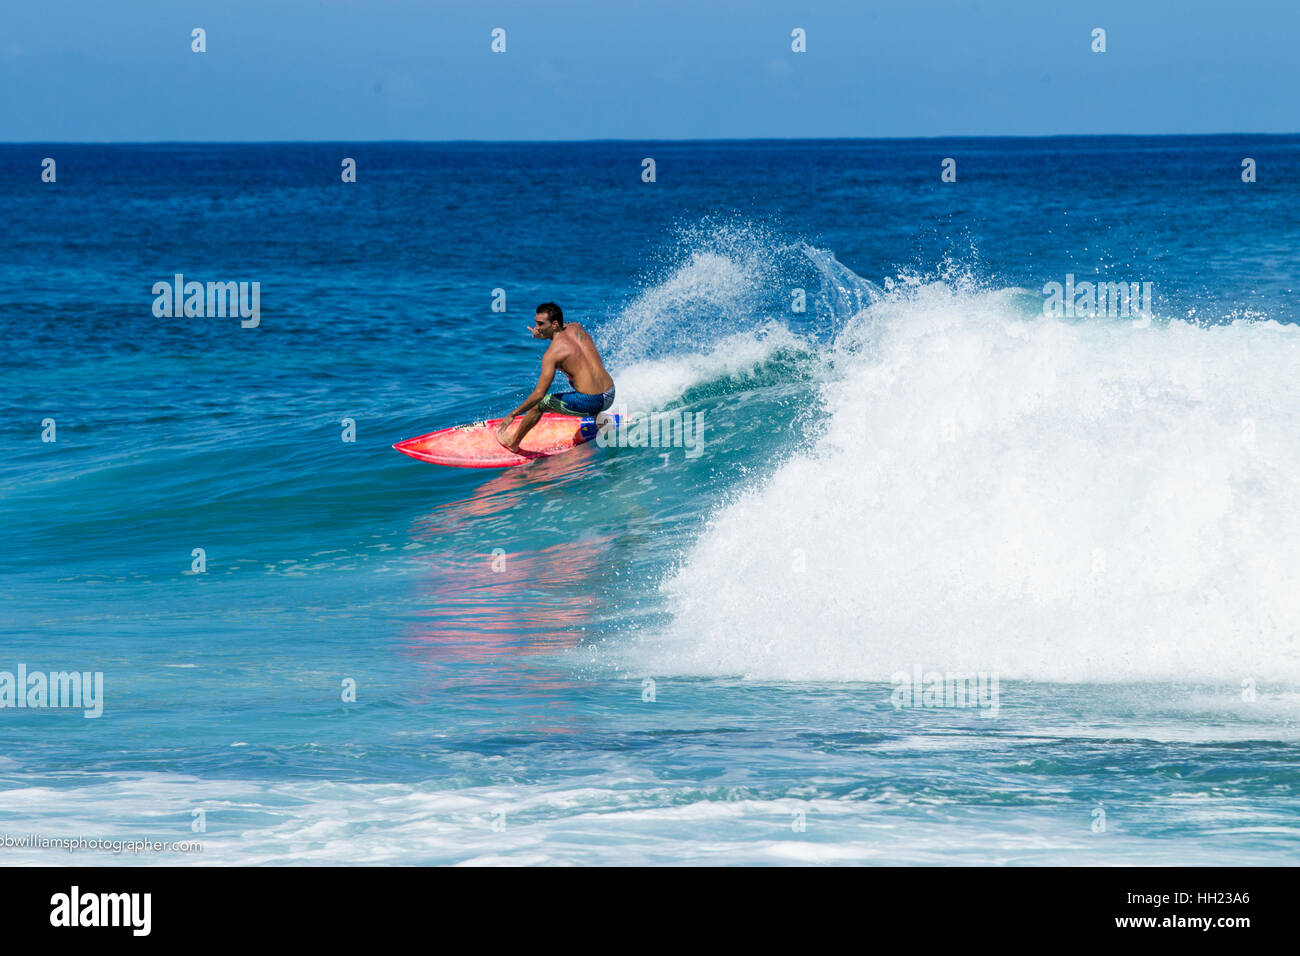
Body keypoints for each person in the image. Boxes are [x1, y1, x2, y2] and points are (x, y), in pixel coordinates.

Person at [496, 303, 616, 452]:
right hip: (610, 393)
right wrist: (545, 334)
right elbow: (563, 333)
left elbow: (539, 394)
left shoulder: (552, 355)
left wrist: (513, 414)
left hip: (592, 402)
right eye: (536, 323)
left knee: (539, 404)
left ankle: (513, 443)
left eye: (540, 324)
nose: (536, 327)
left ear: (554, 324)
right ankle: (602, 423)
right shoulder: (576, 327)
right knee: (580, 378)